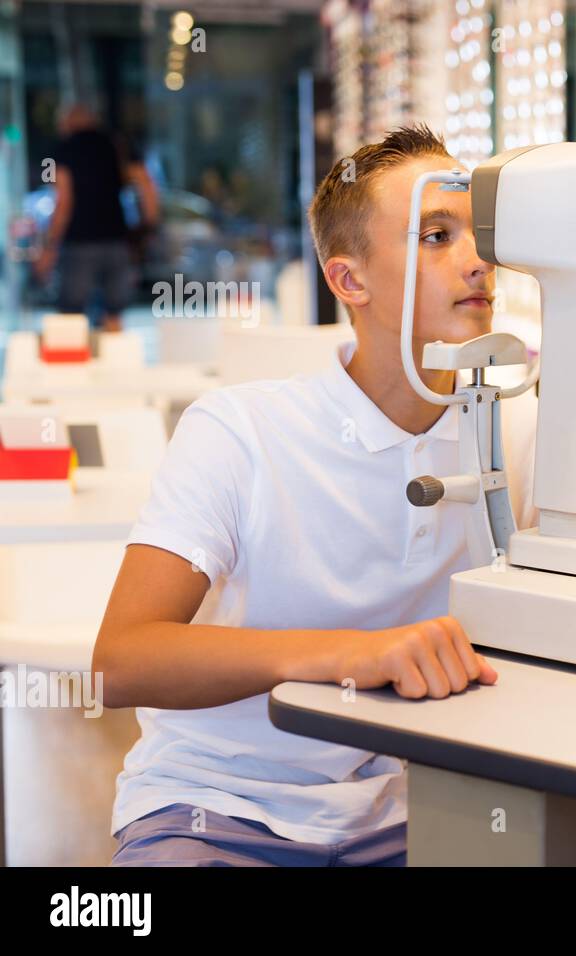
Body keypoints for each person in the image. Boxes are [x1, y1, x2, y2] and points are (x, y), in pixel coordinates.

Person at [95, 125, 537, 865]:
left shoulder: (516, 428)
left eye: (478, 233)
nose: (477, 261)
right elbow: (121, 661)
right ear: (349, 281)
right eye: (435, 235)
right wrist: (353, 653)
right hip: (217, 807)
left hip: (411, 810)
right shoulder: (239, 431)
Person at [35, 103, 159, 332]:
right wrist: (147, 226)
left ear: (67, 122)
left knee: (72, 317)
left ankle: (75, 365)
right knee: (114, 314)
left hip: (79, 243)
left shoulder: (64, 149)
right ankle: (114, 365)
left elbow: (62, 201)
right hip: (116, 239)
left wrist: (49, 247)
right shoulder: (117, 144)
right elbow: (147, 185)